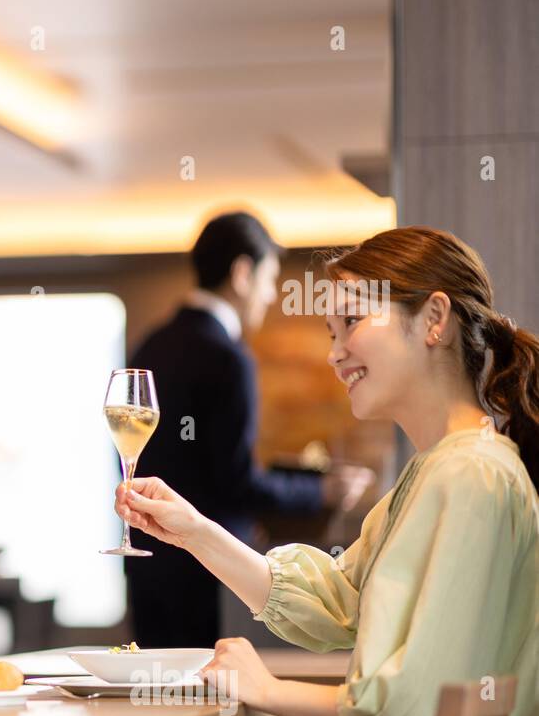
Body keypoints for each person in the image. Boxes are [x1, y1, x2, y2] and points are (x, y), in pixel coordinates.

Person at [116, 226, 539, 716]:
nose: (336, 353)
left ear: (434, 320)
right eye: (331, 334)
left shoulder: (471, 475)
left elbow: (412, 701)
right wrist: (197, 531)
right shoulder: (440, 470)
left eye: (351, 324)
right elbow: (339, 601)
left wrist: (264, 688)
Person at [126, 211, 372, 648]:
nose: (271, 294)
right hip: (210, 572)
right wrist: (323, 492)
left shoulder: (151, 343)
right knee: (210, 701)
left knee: (153, 695)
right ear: (242, 273)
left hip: (147, 565)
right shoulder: (227, 356)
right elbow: (236, 483)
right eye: (269, 278)